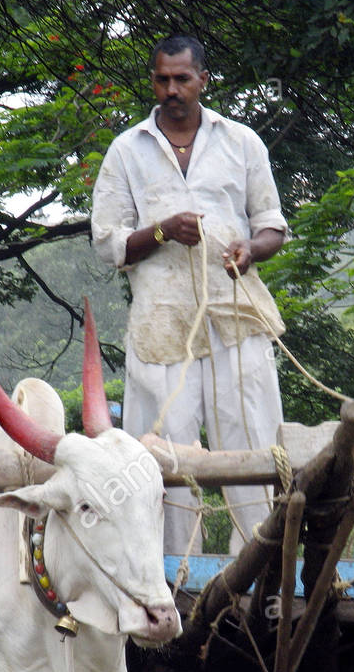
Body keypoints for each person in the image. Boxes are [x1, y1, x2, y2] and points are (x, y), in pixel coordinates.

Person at [91, 33, 288, 554]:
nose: (172, 89)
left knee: (251, 447)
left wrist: (250, 250)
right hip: (161, 328)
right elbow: (109, 245)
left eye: (182, 79)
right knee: (165, 459)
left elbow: (272, 226)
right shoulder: (126, 150)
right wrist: (162, 231)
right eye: (162, 79)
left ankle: (260, 570)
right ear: (152, 82)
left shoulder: (242, 142)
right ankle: (176, 584)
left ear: (204, 79)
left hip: (236, 317)